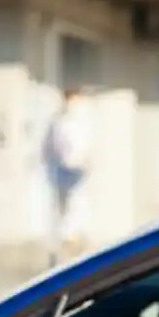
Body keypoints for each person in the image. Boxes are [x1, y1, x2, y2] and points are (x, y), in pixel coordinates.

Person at [44, 87, 94, 262]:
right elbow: (56, 148)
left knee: (76, 208)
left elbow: (85, 146)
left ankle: (71, 245)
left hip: (77, 171)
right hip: (65, 172)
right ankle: (64, 247)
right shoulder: (60, 122)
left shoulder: (81, 121)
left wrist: (85, 162)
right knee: (64, 211)